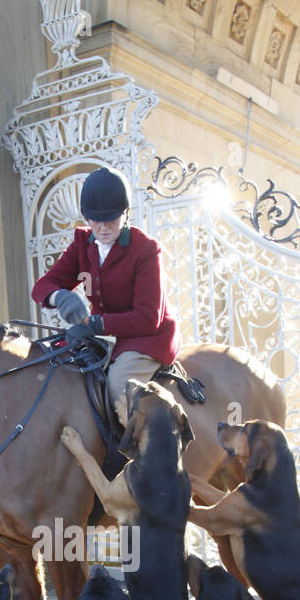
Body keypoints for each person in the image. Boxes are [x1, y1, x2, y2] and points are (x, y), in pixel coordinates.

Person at [31, 167, 180, 427]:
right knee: (55, 368)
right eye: (94, 219)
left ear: (125, 214)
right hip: (102, 334)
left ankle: (139, 459)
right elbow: (43, 285)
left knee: (117, 387)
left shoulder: (145, 249)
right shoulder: (83, 243)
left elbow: (148, 318)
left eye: (111, 219)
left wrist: (96, 325)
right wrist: (60, 296)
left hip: (146, 338)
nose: (102, 227)